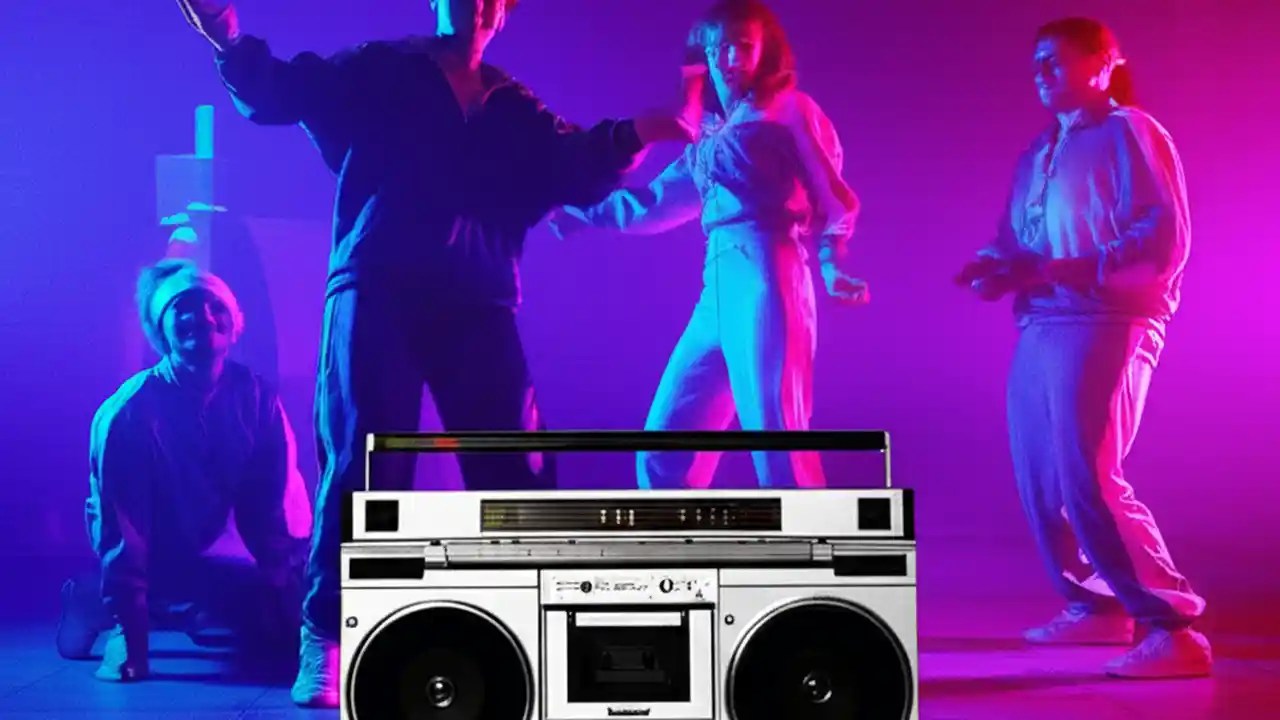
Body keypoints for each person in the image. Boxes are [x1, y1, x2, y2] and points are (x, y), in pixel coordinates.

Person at [174, 0, 696, 706]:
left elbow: (575, 164)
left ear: (502, 12)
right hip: (378, 286)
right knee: (365, 460)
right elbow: (282, 91)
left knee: (518, 461)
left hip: (478, 300)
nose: (477, 5)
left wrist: (648, 128)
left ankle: (533, 626)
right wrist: (228, 38)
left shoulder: (515, 106)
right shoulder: (382, 67)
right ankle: (327, 633)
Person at [955, 17, 1210, 678]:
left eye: (1055, 61)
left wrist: (1077, 268)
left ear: (1104, 64)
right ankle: (1099, 607)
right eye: (1035, 63)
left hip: (1108, 317)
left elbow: (1162, 234)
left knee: (1089, 473)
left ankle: (1172, 626)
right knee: (1043, 477)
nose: (1041, 74)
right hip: (1044, 320)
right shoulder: (1038, 153)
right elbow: (1019, 240)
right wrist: (997, 265)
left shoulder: (1129, 130)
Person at [550, 0, 867, 490]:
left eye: (744, 47)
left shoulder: (787, 109)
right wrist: (583, 215)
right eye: (720, 48)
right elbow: (656, 202)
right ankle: (683, 558)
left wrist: (832, 261)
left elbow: (833, 195)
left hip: (770, 276)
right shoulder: (709, 137)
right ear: (705, 53)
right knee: (664, 450)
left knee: (779, 440)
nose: (731, 60)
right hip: (716, 288)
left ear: (765, 53)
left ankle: (810, 559)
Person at [57, 259, 312, 682]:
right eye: (184, 308)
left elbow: (269, 499)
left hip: (207, 543)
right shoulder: (130, 412)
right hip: (147, 548)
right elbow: (123, 525)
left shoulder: (256, 398)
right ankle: (94, 604)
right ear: (161, 329)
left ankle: (194, 605)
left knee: (269, 626)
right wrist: (131, 637)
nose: (202, 317)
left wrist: (281, 585)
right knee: (154, 592)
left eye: (214, 305)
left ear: (233, 323)